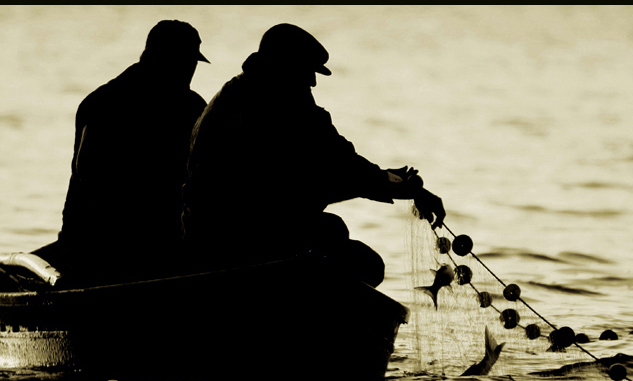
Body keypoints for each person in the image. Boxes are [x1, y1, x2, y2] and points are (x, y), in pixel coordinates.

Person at [182, 23, 445, 287]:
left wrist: (388, 180)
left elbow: (332, 166)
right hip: (242, 237)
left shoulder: (235, 93)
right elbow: (338, 164)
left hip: (205, 232)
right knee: (364, 263)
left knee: (332, 231)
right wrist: (405, 189)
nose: (313, 82)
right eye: (308, 72)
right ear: (286, 66)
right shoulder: (281, 105)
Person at [45, 20, 209, 284]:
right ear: (162, 59)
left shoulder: (191, 106)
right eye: (186, 62)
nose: (190, 71)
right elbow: (93, 182)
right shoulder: (106, 106)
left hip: (151, 245)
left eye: (193, 63)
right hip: (101, 250)